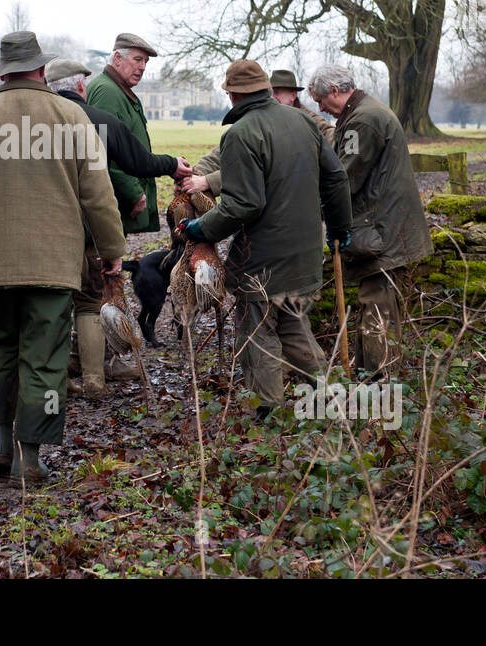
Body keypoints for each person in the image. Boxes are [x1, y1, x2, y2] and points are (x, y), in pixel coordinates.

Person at [0, 32, 125, 481]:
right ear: (41, 69)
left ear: (3, 71)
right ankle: (28, 457)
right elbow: (98, 193)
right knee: (45, 356)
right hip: (55, 265)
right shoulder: (70, 116)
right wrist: (111, 250)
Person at [175, 60, 351, 417]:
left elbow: (244, 205)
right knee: (295, 325)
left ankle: (267, 416)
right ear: (266, 90)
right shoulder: (302, 121)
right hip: (304, 254)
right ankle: (331, 405)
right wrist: (339, 227)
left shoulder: (241, 133)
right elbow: (336, 179)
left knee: (259, 335)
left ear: (233, 94)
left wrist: (200, 229)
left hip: (264, 261)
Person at [45, 58, 191, 396]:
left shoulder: (33, 126)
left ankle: (57, 379)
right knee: (89, 302)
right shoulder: (100, 121)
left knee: (53, 305)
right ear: (81, 86)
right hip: (89, 232)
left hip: (47, 234)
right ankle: (95, 380)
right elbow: (139, 162)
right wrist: (174, 166)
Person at [307, 64, 433, 376]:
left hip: (382, 233)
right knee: (375, 308)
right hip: (387, 228)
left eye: (321, 101)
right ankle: (368, 378)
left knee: (378, 311)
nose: (321, 107)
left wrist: (316, 213)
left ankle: (378, 384)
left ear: (335, 91)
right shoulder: (364, 112)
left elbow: (344, 180)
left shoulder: (361, 121)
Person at [180, 70, 332, 196]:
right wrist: (192, 174)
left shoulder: (308, 121)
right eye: (271, 92)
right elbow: (223, 153)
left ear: (293, 95)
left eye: (278, 92)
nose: (273, 97)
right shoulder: (260, 118)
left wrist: (207, 181)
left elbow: (256, 171)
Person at [86, 33, 165, 234]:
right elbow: (102, 150)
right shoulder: (107, 92)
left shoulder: (118, 89)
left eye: (145, 62)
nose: (143, 67)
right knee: (106, 259)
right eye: (137, 59)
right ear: (118, 58)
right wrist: (134, 193)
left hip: (120, 199)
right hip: (116, 200)